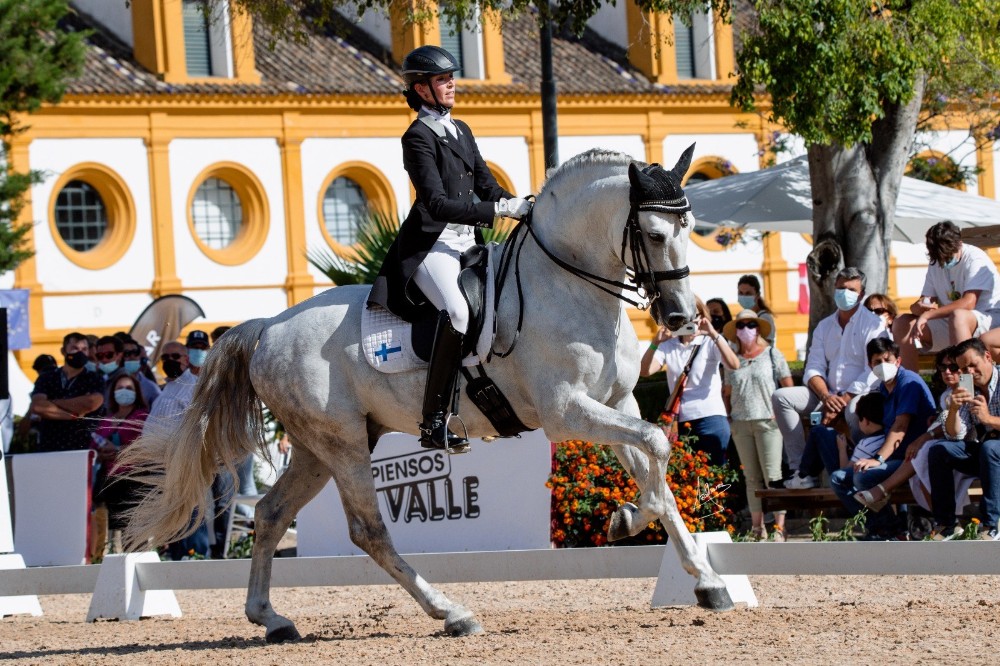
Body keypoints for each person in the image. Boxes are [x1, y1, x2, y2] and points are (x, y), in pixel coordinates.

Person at [367, 46, 531, 453]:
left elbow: (488, 186)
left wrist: (521, 206)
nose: (451, 84)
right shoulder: (417, 137)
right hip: (432, 244)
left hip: (468, 244)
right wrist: (497, 209)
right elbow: (436, 203)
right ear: (421, 89)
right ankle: (433, 420)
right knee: (457, 312)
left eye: (451, 78)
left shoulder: (461, 130)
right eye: (442, 80)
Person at [775, 267, 887, 486]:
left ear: (862, 294)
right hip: (827, 395)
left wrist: (843, 400)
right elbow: (813, 367)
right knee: (781, 397)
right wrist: (827, 397)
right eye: (840, 288)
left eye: (851, 289)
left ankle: (859, 468)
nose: (845, 293)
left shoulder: (874, 325)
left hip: (859, 396)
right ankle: (799, 470)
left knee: (855, 410)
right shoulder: (824, 326)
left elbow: (872, 370)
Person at [721, 309, 794, 541]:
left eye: (750, 324)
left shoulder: (772, 354)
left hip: (768, 421)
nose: (745, 330)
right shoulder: (732, 359)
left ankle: (779, 527)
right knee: (751, 477)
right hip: (741, 423)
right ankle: (757, 527)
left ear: (759, 328)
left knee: (773, 474)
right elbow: (727, 392)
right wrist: (729, 415)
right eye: (741, 326)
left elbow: (788, 386)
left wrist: (781, 413)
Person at [641, 298, 740, 466]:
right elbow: (645, 371)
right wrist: (655, 343)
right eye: (685, 316)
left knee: (715, 474)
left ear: (703, 315)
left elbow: (734, 364)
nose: (691, 321)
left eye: (695, 315)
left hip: (711, 417)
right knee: (688, 474)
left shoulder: (710, 342)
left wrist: (713, 333)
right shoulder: (669, 345)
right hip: (680, 421)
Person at [893, 221, 1000, 371]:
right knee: (902, 323)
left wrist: (928, 315)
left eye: (948, 257)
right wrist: (918, 308)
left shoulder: (975, 258)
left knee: (959, 316)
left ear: (959, 244)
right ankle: (910, 387)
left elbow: (969, 303)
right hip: (952, 322)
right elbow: (925, 301)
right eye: (940, 258)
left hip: (988, 318)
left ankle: (966, 385)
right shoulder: (936, 261)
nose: (944, 261)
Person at [926, 337, 1000, 540]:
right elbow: (955, 434)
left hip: (992, 450)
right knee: (939, 450)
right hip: (988, 454)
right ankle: (945, 524)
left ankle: (992, 524)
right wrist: (954, 410)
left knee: (991, 447)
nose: (970, 373)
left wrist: (988, 419)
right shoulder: (967, 388)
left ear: (987, 357)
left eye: (973, 366)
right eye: (964, 370)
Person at [145, 340, 206, 558]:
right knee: (171, 513)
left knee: (188, 510)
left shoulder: (193, 386)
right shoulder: (167, 387)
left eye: (175, 357)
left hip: (181, 459)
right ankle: (178, 555)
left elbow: (197, 425)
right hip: (160, 462)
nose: (170, 361)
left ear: (186, 359)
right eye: (166, 358)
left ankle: (196, 556)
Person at [90, 371, 150, 558]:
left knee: (134, 528)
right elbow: (93, 448)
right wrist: (101, 454)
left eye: (129, 388)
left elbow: (147, 445)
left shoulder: (143, 416)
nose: (124, 391)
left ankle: (138, 564)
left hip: (135, 479)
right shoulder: (106, 419)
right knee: (112, 529)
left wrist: (120, 450)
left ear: (137, 392)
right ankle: (111, 561)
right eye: (120, 388)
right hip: (110, 480)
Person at [29, 332, 104, 452]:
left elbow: (90, 403)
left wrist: (51, 402)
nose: (80, 353)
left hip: (81, 448)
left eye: (84, 349)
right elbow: (38, 406)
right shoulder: (47, 377)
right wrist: (74, 415)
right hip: (49, 447)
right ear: (63, 351)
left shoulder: (94, 378)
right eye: (74, 348)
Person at [121, 337, 160, 407]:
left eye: (135, 352)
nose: (132, 356)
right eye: (126, 353)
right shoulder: (106, 381)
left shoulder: (150, 387)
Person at [736, 275, 776, 345]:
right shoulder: (742, 316)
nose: (744, 296)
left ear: (757, 295)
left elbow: (765, 344)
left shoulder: (764, 317)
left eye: (748, 293)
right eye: (741, 293)